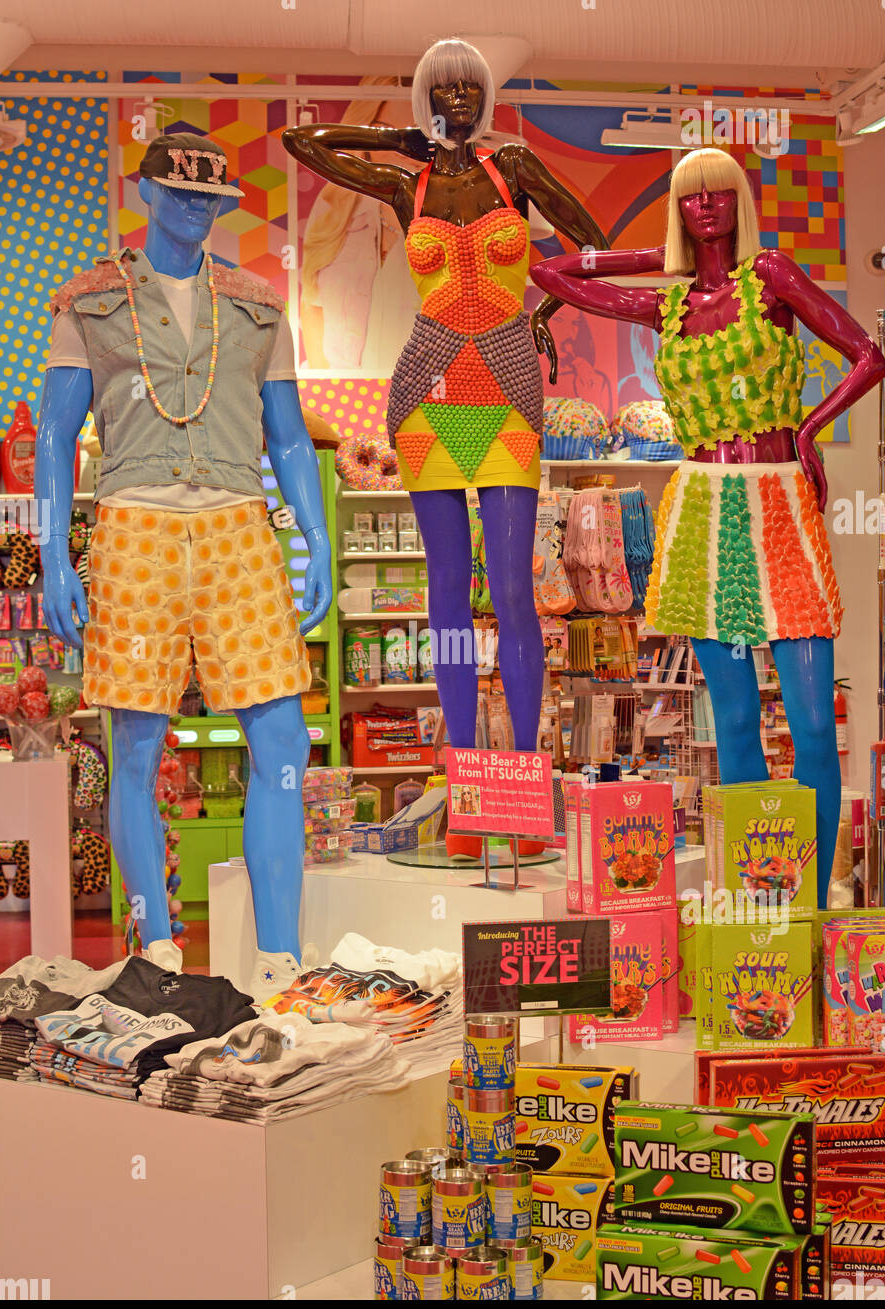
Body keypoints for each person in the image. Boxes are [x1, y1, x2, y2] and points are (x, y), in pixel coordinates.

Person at [530, 146, 885, 906]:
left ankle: (815, 900)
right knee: (731, 721)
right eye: (690, 198)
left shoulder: (774, 277)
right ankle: (762, 895)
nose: (707, 208)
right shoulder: (667, 304)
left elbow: (867, 355)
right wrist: (658, 255)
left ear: (741, 202)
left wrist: (811, 429)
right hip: (701, 504)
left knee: (813, 725)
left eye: (720, 194)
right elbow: (551, 275)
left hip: (780, 498)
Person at [284, 37, 607, 856]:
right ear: (429, 97)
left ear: (486, 99)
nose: (459, 99)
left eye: (471, 88)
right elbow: (305, 144)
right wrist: (393, 138)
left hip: (505, 384)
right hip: (426, 387)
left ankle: (524, 779)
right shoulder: (405, 183)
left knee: (511, 588)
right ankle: (466, 778)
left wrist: (546, 307)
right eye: (444, 88)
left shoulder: (516, 168)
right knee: (447, 592)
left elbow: (593, 240)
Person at [36, 133, 332, 999]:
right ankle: (156, 950)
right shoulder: (89, 301)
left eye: (210, 199)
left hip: (240, 523)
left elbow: (291, 438)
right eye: (179, 193)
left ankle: (281, 958)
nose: (196, 209)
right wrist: (56, 553)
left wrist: (314, 540)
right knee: (135, 741)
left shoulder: (256, 306)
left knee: (282, 738)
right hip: (134, 525)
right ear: (145, 190)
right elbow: (56, 437)